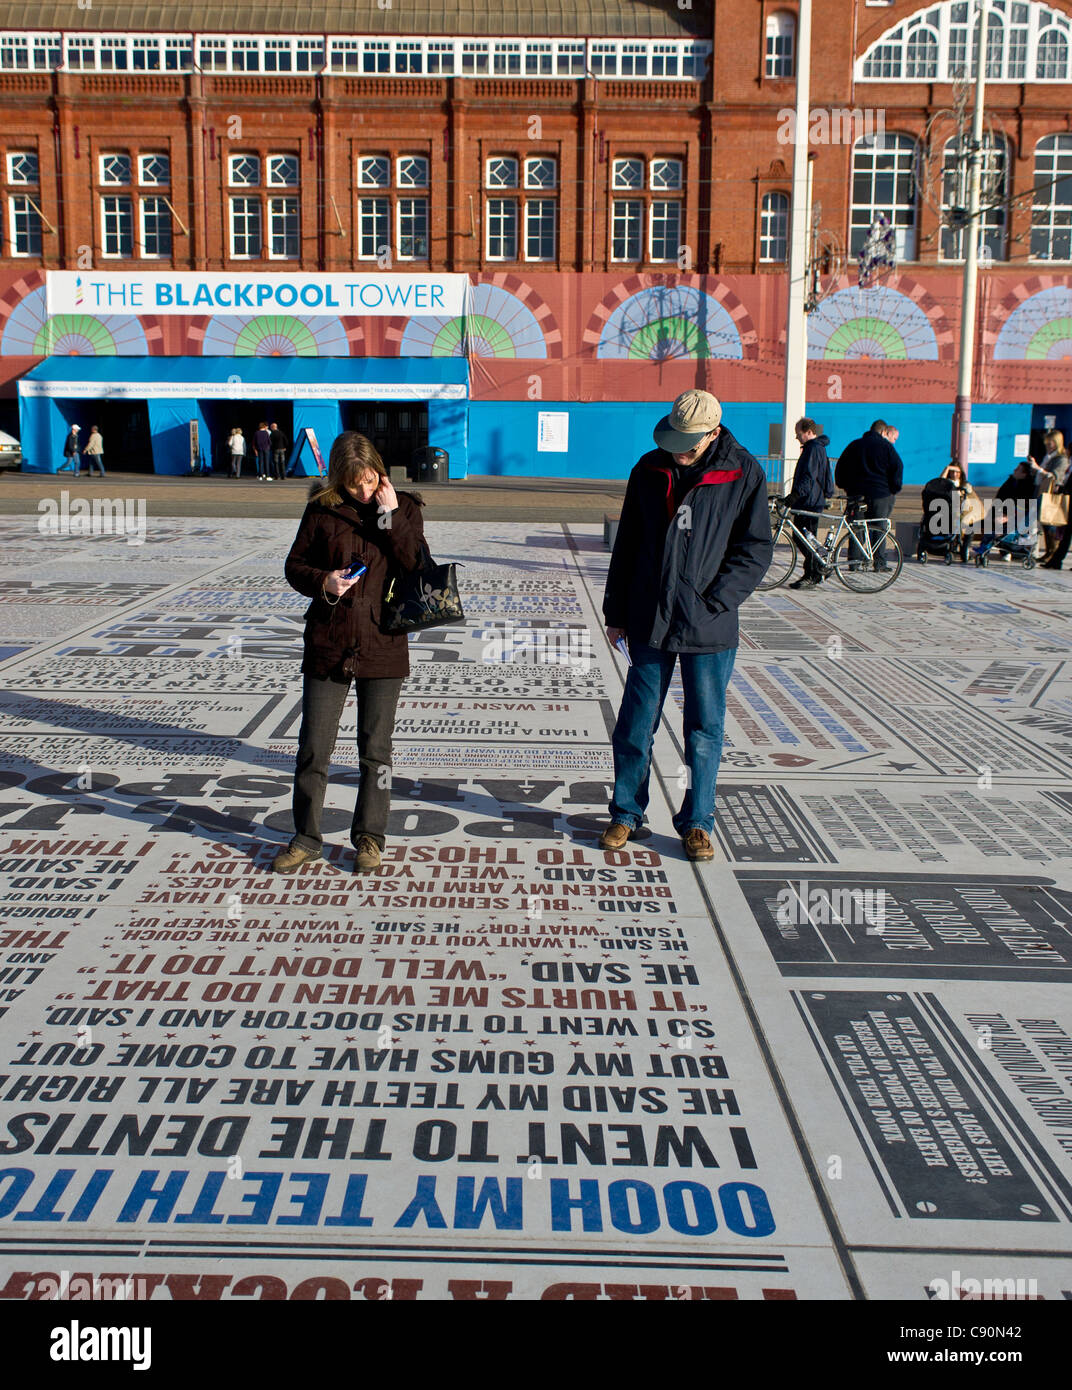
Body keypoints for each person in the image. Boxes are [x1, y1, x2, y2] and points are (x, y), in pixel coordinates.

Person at [601, 390, 772, 863]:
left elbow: (756, 548)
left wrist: (715, 599)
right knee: (635, 723)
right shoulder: (648, 469)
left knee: (704, 728)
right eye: (674, 439)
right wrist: (616, 612)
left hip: (708, 625)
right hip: (649, 620)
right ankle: (626, 812)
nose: (678, 450)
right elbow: (628, 544)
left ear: (713, 432)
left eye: (688, 443)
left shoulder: (743, 473)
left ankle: (698, 822)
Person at [273, 431, 426, 876]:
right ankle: (305, 837)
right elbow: (294, 566)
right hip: (329, 642)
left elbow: (416, 564)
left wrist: (391, 514)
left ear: (380, 470)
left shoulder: (405, 507)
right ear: (339, 478)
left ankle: (370, 839)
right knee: (313, 748)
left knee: (375, 750)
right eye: (354, 483)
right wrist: (325, 581)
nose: (363, 489)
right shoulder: (321, 509)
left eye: (370, 479)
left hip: (382, 644)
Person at [834, 419, 903, 567]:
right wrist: (893, 489)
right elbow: (897, 467)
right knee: (879, 528)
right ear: (884, 432)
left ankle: (855, 561)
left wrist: (844, 486)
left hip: (856, 495)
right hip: (880, 495)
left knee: (857, 528)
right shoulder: (886, 447)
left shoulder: (854, 445)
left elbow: (840, 467)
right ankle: (878, 562)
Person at [785, 418, 834, 590]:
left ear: (807, 432)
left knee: (806, 539)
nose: (796, 437)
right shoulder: (814, 448)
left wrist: (796, 495)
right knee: (804, 538)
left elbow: (809, 476)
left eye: (798, 434)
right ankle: (814, 570)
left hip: (809, 501)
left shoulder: (813, 449)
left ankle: (816, 572)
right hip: (809, 500)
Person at [1036, 429, 1070, 567]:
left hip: (1055, 494)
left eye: (1049, 442)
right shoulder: (1049, 456)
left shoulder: (1061, 459)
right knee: (1045, 522)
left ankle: (1054, 553)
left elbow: (1055, 475)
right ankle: (1051, 553)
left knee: (1052, 523)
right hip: (1044, 491)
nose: (1047, 445)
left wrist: (1038, 469)